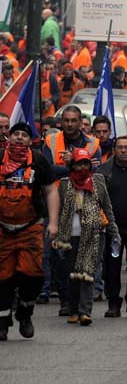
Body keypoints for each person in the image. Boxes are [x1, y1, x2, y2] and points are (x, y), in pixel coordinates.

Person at [0, 123, 59, 341]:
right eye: (15, 134)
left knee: (33, 274)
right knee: (3, 277)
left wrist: (53, 223)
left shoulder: (39, 161)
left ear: (30, 140)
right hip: (2, 228)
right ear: (9, 137)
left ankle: (25, 313)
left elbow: (51, 190)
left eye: (24, 135)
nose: (19, 138)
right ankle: (2, 323)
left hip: (30, 226)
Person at [53, 148, 119, 326]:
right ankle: (73, 309)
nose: (82, 167)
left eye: (85, 164)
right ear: (72, 166)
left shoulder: (98, 181)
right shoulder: (65, 184)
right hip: (71, 235)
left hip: (94, 233)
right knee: (73, 273)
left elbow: (107, 208)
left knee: (88, 272)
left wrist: (114, 232)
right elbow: (58, 211)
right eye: (78, 164)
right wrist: (55, 234)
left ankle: (85, 312)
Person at [97, 136, 127, 319]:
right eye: (120, 147)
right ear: (114, 150)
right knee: (112, 267)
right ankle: (113, 304)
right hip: (112, 228)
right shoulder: (104, 171)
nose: (123, 151)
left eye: (126, 147)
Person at [44, 105, 101, 179]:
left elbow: (96, 170)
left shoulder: (93, 143)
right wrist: (84, 166)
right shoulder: (51, 140)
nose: (70, 124)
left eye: (74, 120)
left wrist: (73, 161)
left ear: (80, 122)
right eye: (66, 120)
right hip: (57, 186)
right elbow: (47, 170)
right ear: (61, 121)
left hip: (84, 186)